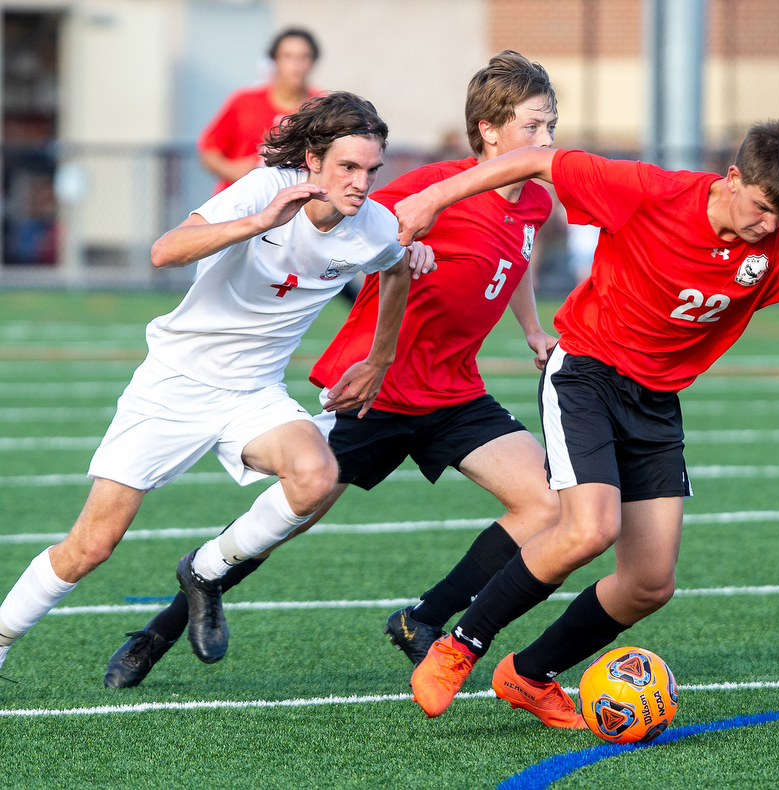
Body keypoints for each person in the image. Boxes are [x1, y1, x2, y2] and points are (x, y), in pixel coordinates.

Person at [394, 118, 779, 729]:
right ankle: (460, 644)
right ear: (733, 179)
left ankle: (528, 675)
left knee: (649, 584)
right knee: (588, 528)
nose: (770, 225)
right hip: (587, 374)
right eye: (761, 208)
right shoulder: (650, 191)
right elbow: (539, 160)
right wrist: (430, 197)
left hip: (656, 401)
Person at [102, 51, 564, 690]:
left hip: (454, 389)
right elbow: (365, 223)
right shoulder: (434, 188)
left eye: (551, 127)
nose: (546, 141)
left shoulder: (534, 203)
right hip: (375, 385)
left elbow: (516, 260)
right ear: (488, 130)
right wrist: (409, 245)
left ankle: (423, 619)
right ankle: (160, 629)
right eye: (533, 126)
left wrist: (533, 326)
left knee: (546, 503)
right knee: (288, 517)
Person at [0, 91, 435, 678]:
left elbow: (397, 267)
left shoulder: (374, 225)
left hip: (253, 394)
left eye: (371, 170)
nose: (361, 184)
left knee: (317, 476)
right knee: (91, 547)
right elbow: (164, 252)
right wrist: (258, 223)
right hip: (174, 384)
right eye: (348, 168)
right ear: (312, 162)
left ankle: (204, 569)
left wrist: (379, 360)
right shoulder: (263, 189)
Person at [199, 28, 323, 194]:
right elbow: (209, 151)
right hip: (240, 204)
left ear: (313, 62)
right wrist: (231, 171)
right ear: (275, 61)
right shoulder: (244, 102)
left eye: (303, 57)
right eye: (288, 56)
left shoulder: (323, 109)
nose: (296, 64)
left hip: (297, 208)